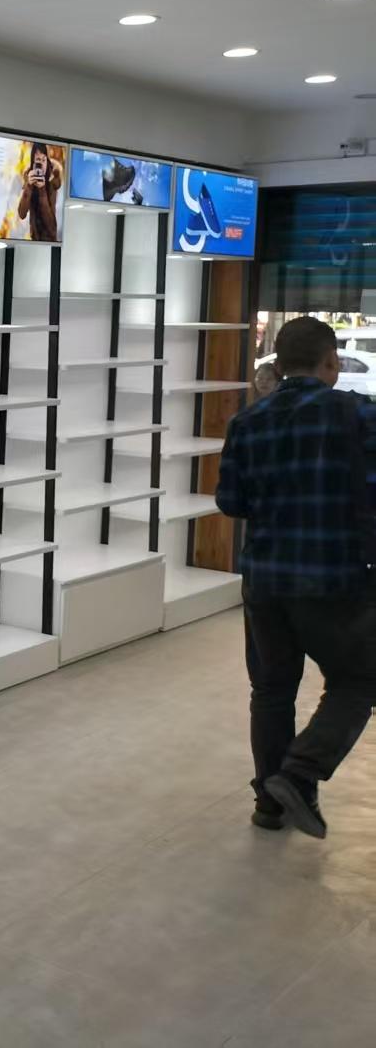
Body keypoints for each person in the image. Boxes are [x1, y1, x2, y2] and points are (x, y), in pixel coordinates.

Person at [216, 316, 376, 837]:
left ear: (280, 366)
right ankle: (301, 773)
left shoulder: (247, 422)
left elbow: (231, 502)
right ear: (331, 362)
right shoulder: (359, 416)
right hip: (334, 577)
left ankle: (270, 804)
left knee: (271, 690)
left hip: (264, 579)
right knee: (359, 679)